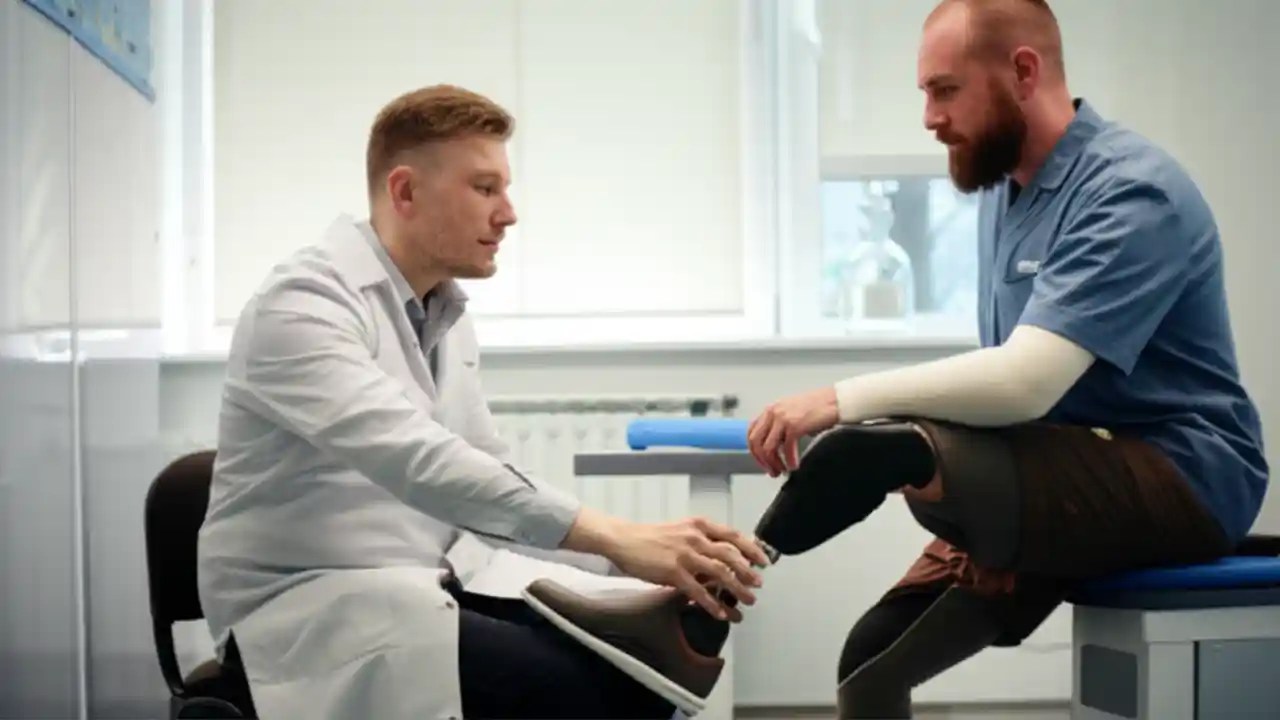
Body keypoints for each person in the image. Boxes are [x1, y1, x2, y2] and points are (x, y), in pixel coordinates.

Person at [519, 1, 1268, 717]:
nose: (929, 117)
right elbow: (1012, 383)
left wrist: (839, 397)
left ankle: (695, 622)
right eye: (925, 92)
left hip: (1183, 476)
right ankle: (692, 625)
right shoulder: (1009, 193)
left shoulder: (1130, 192)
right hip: (1065, 468)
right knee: (870, 664)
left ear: (1024, 72)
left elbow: (1026, 380)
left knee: (871, 450)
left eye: (946, 90)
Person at [195, 84, 768, 720]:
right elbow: (417, 459)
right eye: (485, 188)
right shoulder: (303, 305)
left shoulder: (443, 312)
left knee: (640, 669)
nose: (509, 213)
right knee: (585, 692)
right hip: (309, 608)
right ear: (405, 192)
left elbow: (488, 473)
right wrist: (622, 535)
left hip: (423, 582)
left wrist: (627, 562)